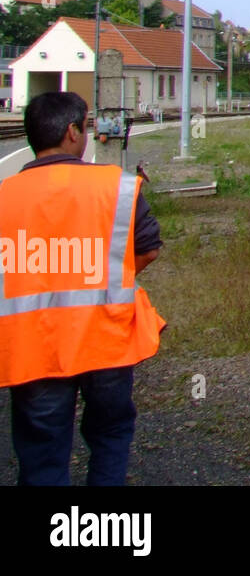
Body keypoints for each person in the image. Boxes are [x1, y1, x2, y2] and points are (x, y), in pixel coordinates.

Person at [0, 91, 165, 485]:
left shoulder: (5, 196)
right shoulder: (117, 187)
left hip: (33, 350)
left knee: (42, 453)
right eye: (85, 126)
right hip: (105, 339)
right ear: (72, 132)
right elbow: (149, 250)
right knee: (109, 436)